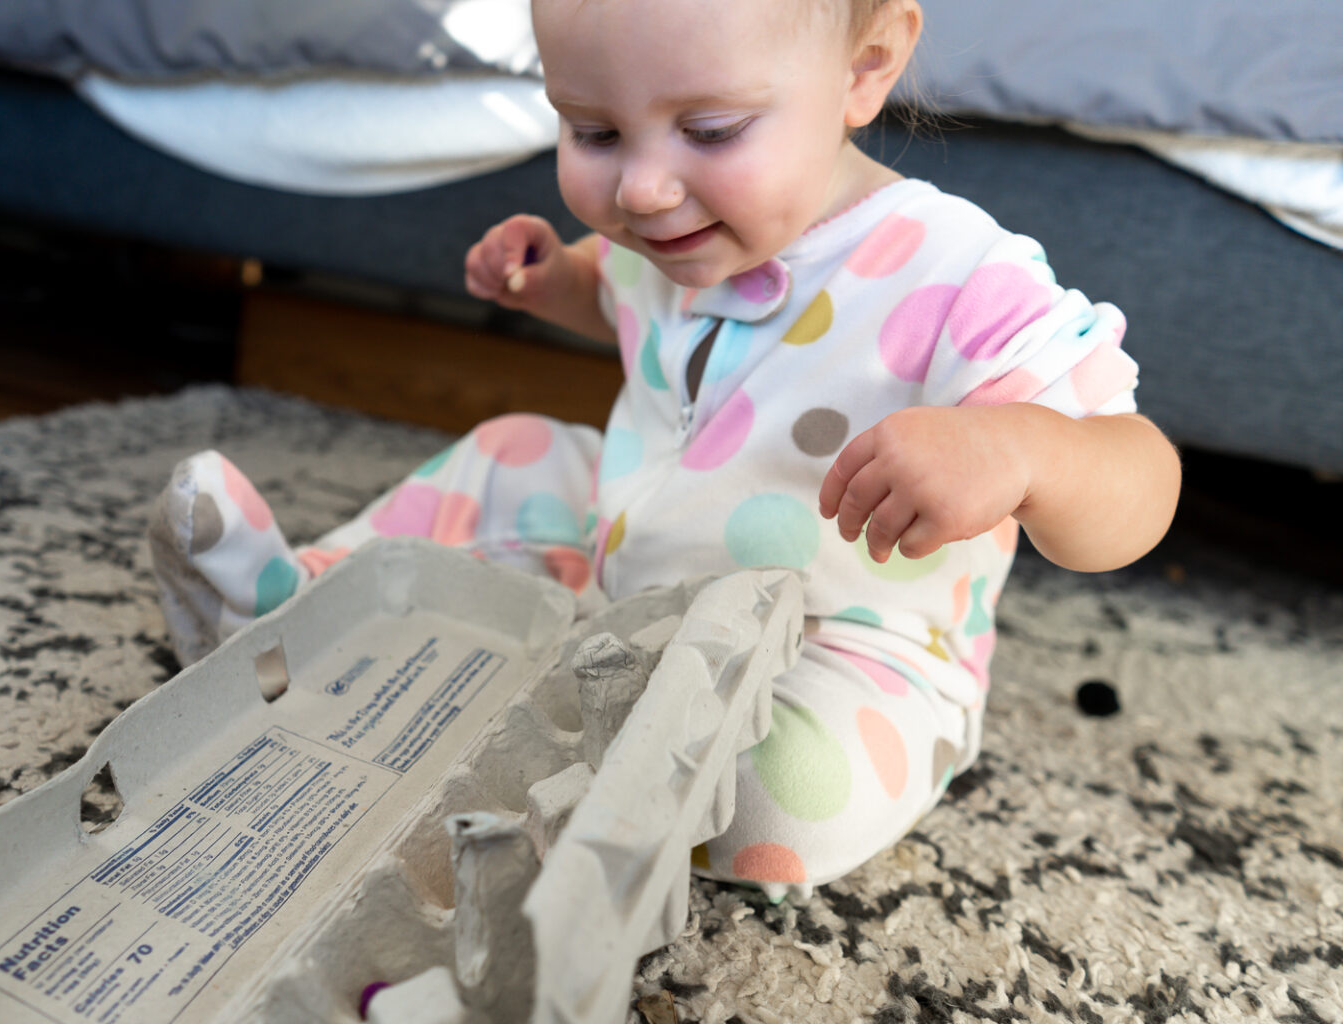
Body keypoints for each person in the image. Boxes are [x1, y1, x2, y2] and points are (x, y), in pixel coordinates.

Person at [150, 0, 1181, 900]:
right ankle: (294, 609)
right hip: (627, 555)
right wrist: (553, 281)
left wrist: (1023, 448)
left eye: (710, 128)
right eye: (591, 130)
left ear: (865, 68)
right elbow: (638, 305)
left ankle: (587, 764)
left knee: (794, 801)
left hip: (841, 647)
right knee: (516, 451)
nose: (641, 189)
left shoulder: (962, 276)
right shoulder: (682, 228)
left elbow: (1142, 478)